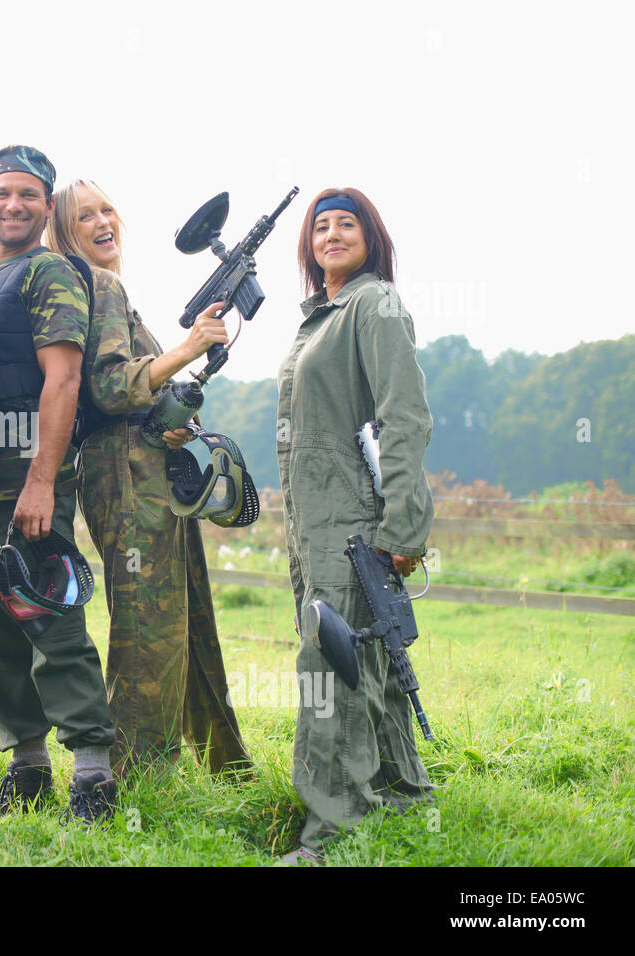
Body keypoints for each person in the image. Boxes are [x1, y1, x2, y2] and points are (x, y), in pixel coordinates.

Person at [45, 180, 253, 778]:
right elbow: (110, 387)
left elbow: (125, 393)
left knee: (186, 620)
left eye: (107, 208)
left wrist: (170, 422)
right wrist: (190, 348)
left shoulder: (106, 292)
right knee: (148, 629)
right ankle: (135, 777)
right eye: (84, 216)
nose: (102, 221)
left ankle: (225, 766)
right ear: (65, 233)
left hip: (147, 467)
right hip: (126, 475)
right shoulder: (97, 285)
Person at [277, 187, 435, 864]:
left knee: (329, 664)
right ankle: (400, 789)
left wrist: (403, 525)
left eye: (348, 224)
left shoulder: (375, 304)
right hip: (311, 514)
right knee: (362, 655)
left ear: (372, 237)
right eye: (322, 226)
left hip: (349, 514)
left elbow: (406, 417)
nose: (333, 233)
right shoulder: (320, 316)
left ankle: (331, 833)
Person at [0, 146, 118, 823]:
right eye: (3, 193)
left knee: (51, 621)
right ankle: (27, 766)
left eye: (29, 195)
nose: (14, 205)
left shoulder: (50, 270)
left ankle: (93, 774)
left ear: (45, 205)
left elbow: (63, 379)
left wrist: (41, 482)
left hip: (29, 481)